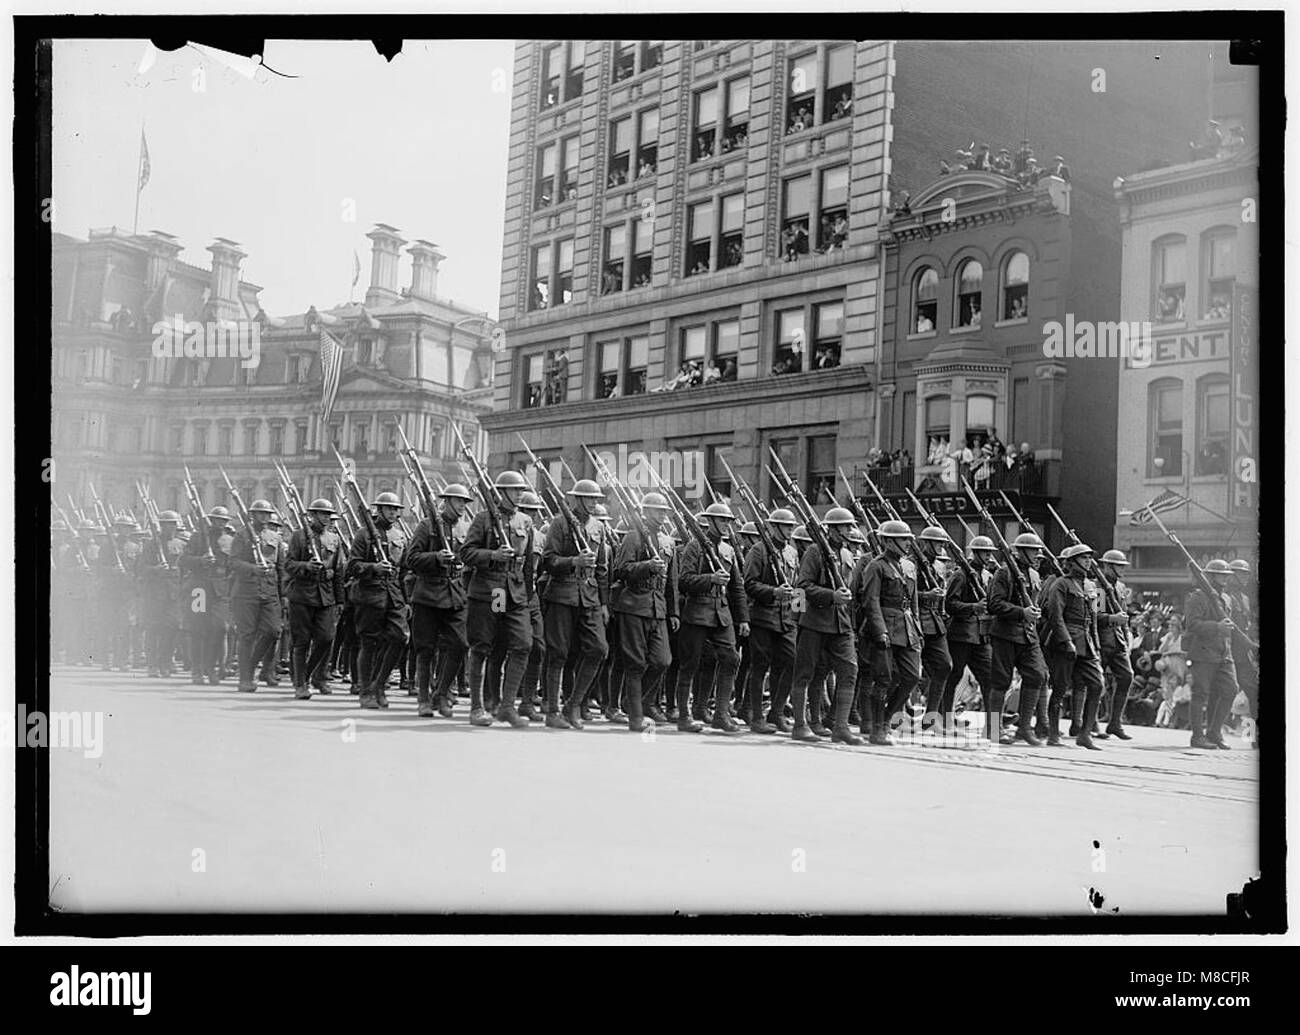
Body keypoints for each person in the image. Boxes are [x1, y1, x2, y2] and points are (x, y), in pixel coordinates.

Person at [461, 471, 533, 727]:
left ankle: (506, 706)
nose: (520, 494)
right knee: (483, 645)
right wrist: (493, 555)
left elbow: (529, 564)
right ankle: (477, 707)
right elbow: (466, 553)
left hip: (515, 592)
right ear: (501, 492)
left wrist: (529, 597)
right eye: (515, 490)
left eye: (521, 490)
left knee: (523, 644)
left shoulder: (525, 521)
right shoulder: (483, 518)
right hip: (494, 591)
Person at [541, 478, 610, 729]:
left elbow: (602, 568)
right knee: (558, 653)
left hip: (589, 597)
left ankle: (574, 704)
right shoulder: (559, 524)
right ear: (577, 499)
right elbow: (548, 560)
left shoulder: (598, 527)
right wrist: (573, 562)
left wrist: (603, 604)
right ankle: (552, 711)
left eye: (596, 499)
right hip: (562, 594)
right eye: (589, 498)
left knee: (599, 649)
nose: (593, 503)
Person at [673, 503, 749, 733]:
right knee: (690, 664)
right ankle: (684, 716)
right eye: (723, 520)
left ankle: (721, 715)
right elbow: (684, 580)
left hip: (722, 615)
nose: (727, 525)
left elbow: (737, 587)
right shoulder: (694, 547)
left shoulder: (728, 550)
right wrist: (710, 579)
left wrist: (743, 618)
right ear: (712, 521)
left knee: (731, 659)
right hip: (697, 612)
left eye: (728, 521)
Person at [403, 483, 473, 718]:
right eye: (459, 501)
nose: (463, 505)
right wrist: (435, 557)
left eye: (465, 502)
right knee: (425, 649)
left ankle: (441, 693)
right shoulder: (427, 526)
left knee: (460, 644)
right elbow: (411, 559)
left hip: (455, 594)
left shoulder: (465, 528)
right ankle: (423, 698)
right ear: (448, 501)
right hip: (428, 594)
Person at [610, 492, 677, 732]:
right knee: (635, 663)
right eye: (658, 511)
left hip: (657, 608)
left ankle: (633, 701)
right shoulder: (632, 538)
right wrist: (647, 567)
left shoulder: (668, 542)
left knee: (662, 660)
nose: (662, 515)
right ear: (646, 512)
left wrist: (674, 612)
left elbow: (672, 582)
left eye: (664, 511)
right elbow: (620, 571)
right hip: (633, 606)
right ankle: (636, 717)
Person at [852, 518, 922, 746]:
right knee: (883, 679)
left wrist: (918, 630)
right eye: (903, 539)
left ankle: (887, 718)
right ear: (889, 542)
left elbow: (913, 602)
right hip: (884, 629)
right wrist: (880, 631)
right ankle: (877, 728)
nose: (908, 543)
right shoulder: (877, 565)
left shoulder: (910, 566)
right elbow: (870, 601)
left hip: (907, 628)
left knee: (912, 676)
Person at [346, 492, 409, 709]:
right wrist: (374, 568)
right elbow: (352, 566)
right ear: (379, 510)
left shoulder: (400, 535)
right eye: (389, 508)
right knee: (369, 643)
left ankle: (379, 684)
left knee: (401, 637)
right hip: (370, 595)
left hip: (394, 596)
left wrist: (406, 600)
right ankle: (366, 691)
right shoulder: (364, 535)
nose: (393, 512)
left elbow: (404, 570)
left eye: (395, 509)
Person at [1040, 544, 1106, 749]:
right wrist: (1066, 640)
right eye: (1083, 557)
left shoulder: (1093, 587)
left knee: (1097, 685)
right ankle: (1053, 734)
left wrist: (1096, 645)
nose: (1088, 561)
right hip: (1064, 642)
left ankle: (1085, 734)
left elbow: (1094, 618)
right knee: (1059, 688)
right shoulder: (1060, 584)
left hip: (1086, 641)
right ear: (1072, 561)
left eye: (1089, 557)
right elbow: (1055, 615)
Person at [988, 532, 1049, 745]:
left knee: (1037, 675)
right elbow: (994, 604)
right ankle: (993, 730)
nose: (1037, 554)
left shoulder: (1033, 574)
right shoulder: (1004, 573)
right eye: (1034, 550)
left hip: (1028, 634)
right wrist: (1021, 612)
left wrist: (1033, 613)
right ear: (1021, 551)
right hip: (1005, 633)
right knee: (1001, 681)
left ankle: (1024, 728)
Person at [743, 507, 800, 734]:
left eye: (791, 527)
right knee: (760, 666)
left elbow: (798, 587)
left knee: (791, 662)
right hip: (763, 617)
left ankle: (776, 712)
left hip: (786, 619)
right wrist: (774, 592)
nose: (789, 530)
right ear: (774, 527)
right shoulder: (758, 551)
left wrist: (798, 614)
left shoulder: (792, 553)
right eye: (786, 526)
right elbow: (750, 584)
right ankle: (756, 717)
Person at [284, 498, 348, 700]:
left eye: (329, 515)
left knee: (326, 638)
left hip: (325, 596)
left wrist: (339, 601)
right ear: (312, 515)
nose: (327, 518)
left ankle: (307, 675)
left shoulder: (334, 539)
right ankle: (300, 684)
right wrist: (306, 567)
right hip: (302, 595)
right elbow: (288, 565)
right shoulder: (299, 537)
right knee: (301, 641)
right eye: (322, 514)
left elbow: (338, 571)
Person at [944, 535, 1002, 742]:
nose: (989, 556)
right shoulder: (961, 575)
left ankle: (993, 728)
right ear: (975, 553)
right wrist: (972, 607)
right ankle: (945, 720)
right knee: (953, 676)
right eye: (985, 553)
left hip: (981, 636)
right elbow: (949, 604)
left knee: (990, 679)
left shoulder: (985, 575)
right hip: (961, 634)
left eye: (990, 553)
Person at [229, 499, 284, 693]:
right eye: (260, 513)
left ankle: (250, 667)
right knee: (247, 635)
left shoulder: (275, 537)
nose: (265, 517)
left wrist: (282, 594)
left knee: (273, 631)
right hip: (246, 591)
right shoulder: (241, 535)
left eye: (267, 514)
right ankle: (245, 678)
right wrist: (253, 568)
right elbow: (233, 562)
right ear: (252, 515)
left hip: (269, 591)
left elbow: (280, 567)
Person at [1183, 559, 1239, 749]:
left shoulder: (1227, 598)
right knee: (1200, 694)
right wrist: (1217, 627)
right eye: (1220, 574)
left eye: (1226, 575)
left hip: (1223, 652)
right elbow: (1191, 625)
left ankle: (1214, 733)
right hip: (1203, 653)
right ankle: (1197, 736)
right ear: (1210, 576)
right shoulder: (1198, 597)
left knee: (1230, 689)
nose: (1224, 578)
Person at [1094, 549, 1137, 740]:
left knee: (1127, 676)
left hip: (1118, 640)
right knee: (1096, 683)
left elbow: (1125, 615)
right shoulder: (1098, 587)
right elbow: (1095, 616)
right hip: (1101, 640)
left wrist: (1126, 633)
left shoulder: (1120, 587)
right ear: (1107, 566)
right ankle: (1092, 722)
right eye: (1118, 566)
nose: (1122, 569)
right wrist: (1113, 618)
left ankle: (1115, 723)